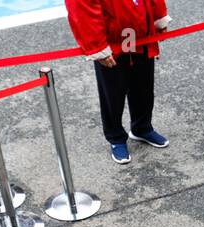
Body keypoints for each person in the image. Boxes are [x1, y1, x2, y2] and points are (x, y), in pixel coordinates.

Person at [67, 0, 173, 164]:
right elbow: (81, 7)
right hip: (111, 38)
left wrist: (158, 17)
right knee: (112, 92)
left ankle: (142, 127)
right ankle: (116, 137)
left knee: (144, 83)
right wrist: (97, 47)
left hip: (139, 31)